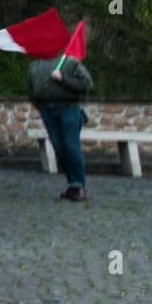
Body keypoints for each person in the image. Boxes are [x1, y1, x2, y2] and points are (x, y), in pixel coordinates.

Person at [28, 52, 93, 201]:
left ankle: (79, 186)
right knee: (59, 147)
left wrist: (63, 79)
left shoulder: (69, 62)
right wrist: (41, 106)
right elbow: (31, 89)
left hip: (68, 109)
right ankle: (72, 184)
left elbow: (86, 84)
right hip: (47, 111)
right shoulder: (35, 65)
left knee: (71, 146)